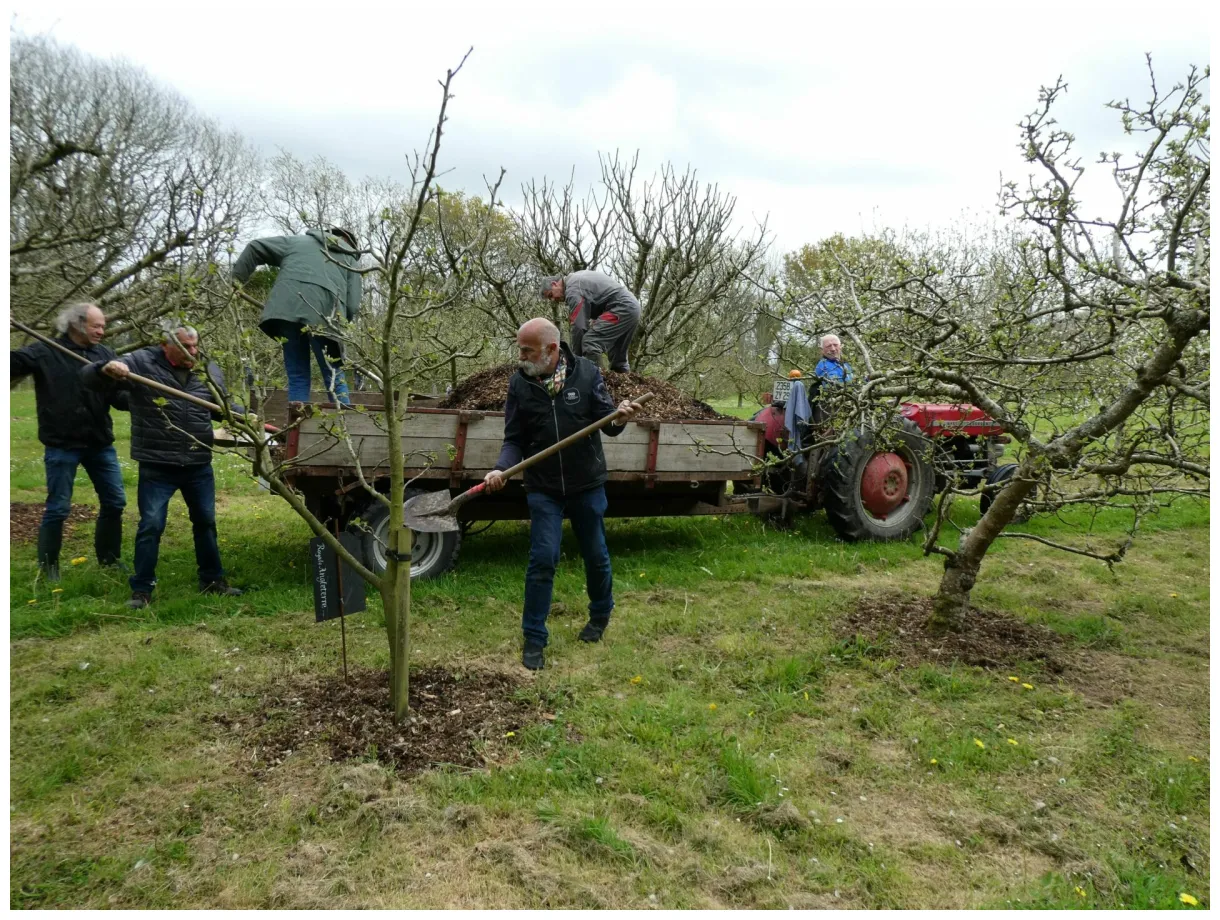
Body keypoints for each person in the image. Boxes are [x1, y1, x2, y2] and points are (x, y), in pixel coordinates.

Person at [483, 318, 641, 670]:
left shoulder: (586, 374)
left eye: (527, 350)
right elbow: (514, 439)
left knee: (595, 554)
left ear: (552, 350)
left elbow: (608, 422)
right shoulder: (519, 385)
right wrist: (500, 468)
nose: (520, 357)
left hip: (586, 482)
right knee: (542, 558)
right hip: (544, 487)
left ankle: (600, 615)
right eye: (519, 348)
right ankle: (534, 637)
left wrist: (620, 417)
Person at [82, 323, 242, 609]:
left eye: (195, 345)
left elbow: (219, 409)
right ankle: (142, 591)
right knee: (151, 525)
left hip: (197, 461)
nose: (193, 352)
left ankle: (212, 581)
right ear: (165, 345)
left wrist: (244, 417)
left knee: (205, 523)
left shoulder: (206, 368)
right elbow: (90, 378)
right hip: (158, 464)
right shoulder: (141, 362)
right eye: (186, 347)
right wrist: (105, 369)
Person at [10, 303, 129, 579]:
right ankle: (49, 567)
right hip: (62, 444)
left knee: (115, 502)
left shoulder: (104, 354)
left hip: (99, 443)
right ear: (76, 325)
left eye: (103, 325)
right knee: (59, 507)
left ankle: (109, 560)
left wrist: (137, 400)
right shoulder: (44, 350)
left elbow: (117, 397)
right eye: (96, 325)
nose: (102, 330)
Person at [231, 227, 362, 405]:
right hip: (325, 315)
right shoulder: (350, 259)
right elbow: (353, 304)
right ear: (349, 243)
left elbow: (255, 247)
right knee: (333, 375)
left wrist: (236, 281)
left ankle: (296, 429)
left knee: (297, 375)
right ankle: (344, 428)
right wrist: (340, 328)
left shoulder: (297, 242)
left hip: (286, 311)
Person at [539, 270, 642, 372]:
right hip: (632, 307)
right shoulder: (576, 278)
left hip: (622, 308)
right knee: (617, 356)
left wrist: (575, 359)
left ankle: (597, 382)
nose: (553, 300)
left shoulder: (573, 290)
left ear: (554, 284)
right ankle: (622, 382)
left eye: (551, 295)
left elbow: (579, 326)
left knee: (590, 342)